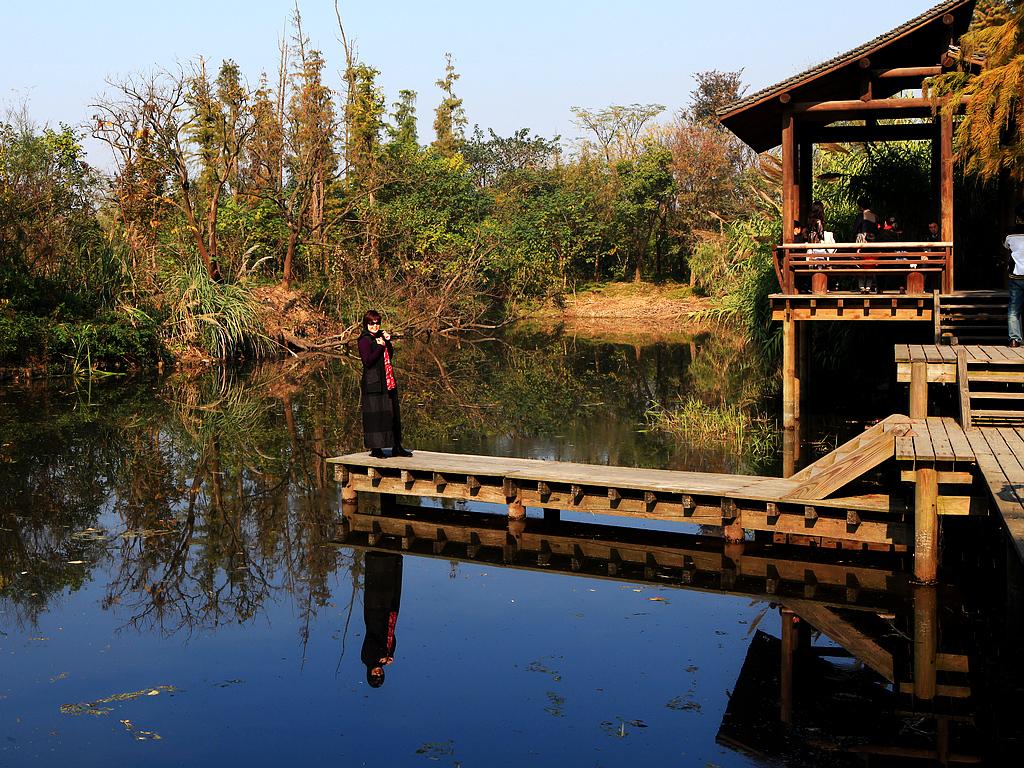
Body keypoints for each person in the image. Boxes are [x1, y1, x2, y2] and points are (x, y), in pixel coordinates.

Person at [358, 309, 412, 458]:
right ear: (366, 324)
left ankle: (397, 447)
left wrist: (387, 341)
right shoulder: (364, 340)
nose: (375, 326)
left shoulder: (381, 336)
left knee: (393, 413)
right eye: (371, 323)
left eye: (377, 323)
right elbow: (367, 361)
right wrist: (380, 347)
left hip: (388, 381)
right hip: (373, 383)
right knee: (376, 416)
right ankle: (376, 449)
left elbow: (390, 355)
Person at [361, 552, 403, 688]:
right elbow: (391, 638)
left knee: (379, 584)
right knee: (393, 588)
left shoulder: (367, 659)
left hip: (376, 613)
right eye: (380, 675)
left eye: (375, 675)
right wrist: (390, 653)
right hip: (389, 617)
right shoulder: (384, 660)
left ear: (369, 673)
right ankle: (395, 558)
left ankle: (379, 555)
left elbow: (372, 641)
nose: (378, 673)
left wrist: (383, 654)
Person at [1005, 203, 1024, 348]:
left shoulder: (1010, 234)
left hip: (1016, 275)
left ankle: (1014, 339)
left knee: (1014, 308)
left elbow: (1006, 246)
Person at [853, 197, 879, 293]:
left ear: (860, 206)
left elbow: (855, 229)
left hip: (861, 240)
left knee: (860, 263)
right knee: (870, 262)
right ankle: (868, 286)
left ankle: (861, 286)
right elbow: (876, 230)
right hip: (872, 241)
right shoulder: (874, 216)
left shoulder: (860, 216)